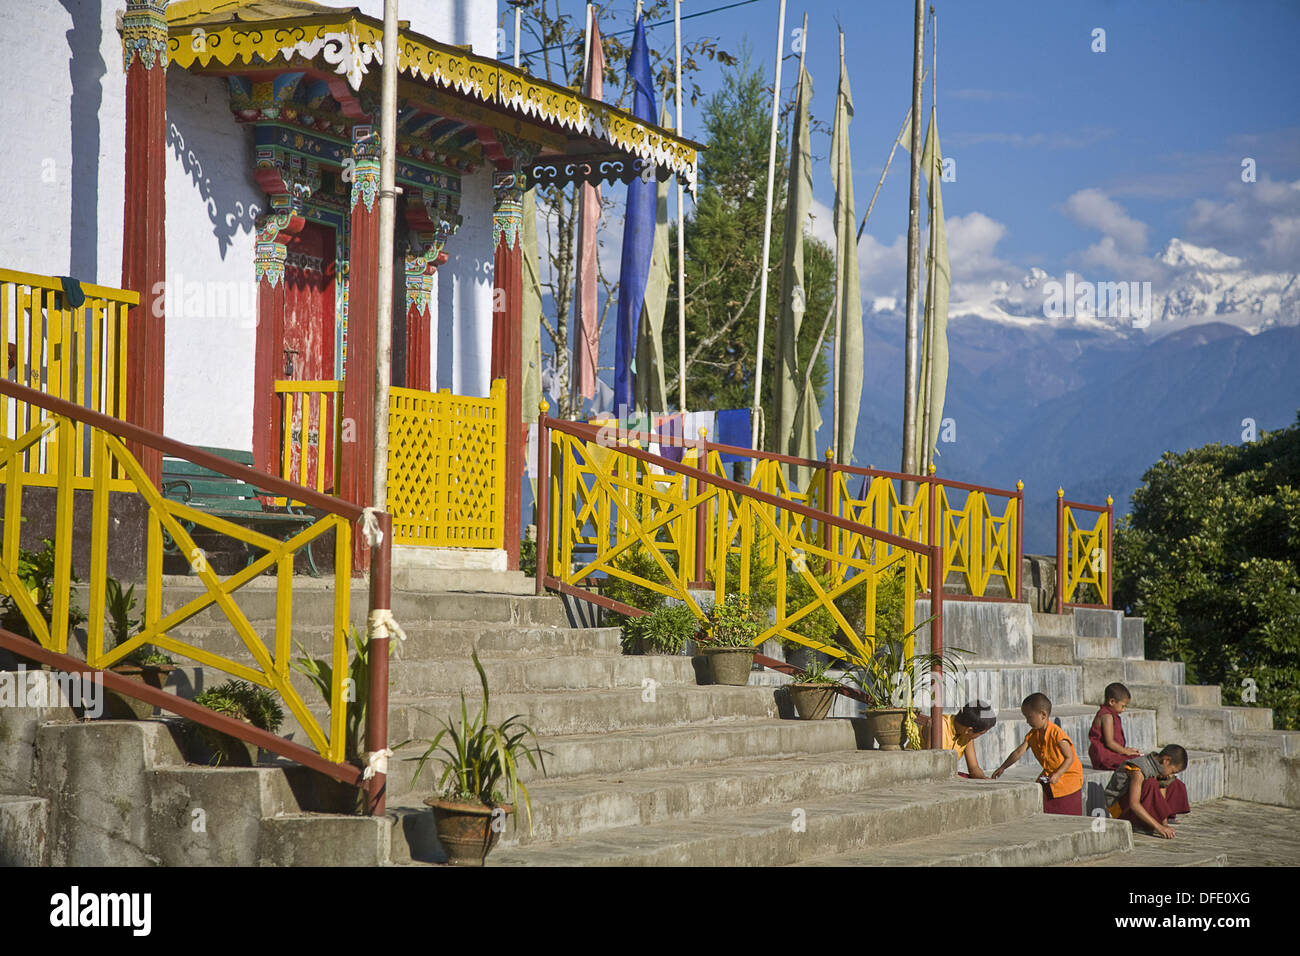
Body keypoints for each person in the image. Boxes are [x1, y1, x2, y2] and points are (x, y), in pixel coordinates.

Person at [990, 693, 1084, 814]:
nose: (1027, 721)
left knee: (1067, 814)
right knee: (1041, 804)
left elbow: (1069, 758)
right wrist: (1003, 767)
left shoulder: (1057, 734)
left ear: (1043, 715)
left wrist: (1058, 774)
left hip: (1068, 779)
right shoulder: (1033, 734)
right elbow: (1018, 752)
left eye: (1029, 717)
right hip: (1049, 777)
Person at [1103, 744, 1190, 839]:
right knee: (1150, 784)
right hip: (1119, 809)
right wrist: (1159, 828)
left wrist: (1164, 823)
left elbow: (1161, 794)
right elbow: (1134, 804)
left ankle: (1148, 821)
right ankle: (1137, 823)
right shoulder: (1139, 770)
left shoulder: (1158, 767)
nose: (1171, 775)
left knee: (1175, 784)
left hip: (1134, 802)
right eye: (1172, 771)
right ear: (1166, 761)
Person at [917, 701, 997, 778]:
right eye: (981, 733)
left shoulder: (967, 736)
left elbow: (974, 768)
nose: (979, 736)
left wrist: (984, 779)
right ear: (969, 730)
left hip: (945, 774)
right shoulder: (938, 727)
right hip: (923, 772)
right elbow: (933, 768)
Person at [1088, 682, 1143, 771]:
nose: (1124, 709)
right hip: (1104, 757)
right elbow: (1109, 743)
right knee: (1137, 762)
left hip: (1112, 754)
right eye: (1123, 706)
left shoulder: (1112, 715)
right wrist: (1126, 752)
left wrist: (1126, 750)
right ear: (1112, 702)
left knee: (1139, 758)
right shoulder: (1107, 716)